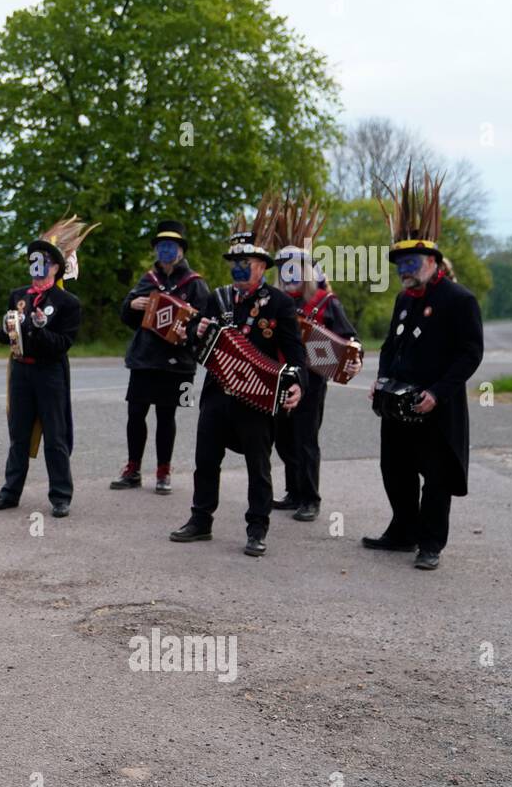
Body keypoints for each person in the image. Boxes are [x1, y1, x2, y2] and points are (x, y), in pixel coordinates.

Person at [169, 197, 306, 557]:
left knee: (258, 466)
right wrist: (197, 328)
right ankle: (201, 520)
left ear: (262, 265)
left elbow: (295, 356)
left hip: (258, 397)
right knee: (205, 461)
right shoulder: (217, 298)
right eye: (235, 264)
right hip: (217, 393)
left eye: (245, 264)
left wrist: (297, 384)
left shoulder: (279, 303)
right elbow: (194, 328)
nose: (238, 270)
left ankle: (257, 528)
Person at [362, 170, 483, 570]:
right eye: (399, 264)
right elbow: (392, 345)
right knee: (395, 469)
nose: (403, 269)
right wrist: (381, 383)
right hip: (397, 404)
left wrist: (438, 392)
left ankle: (430, 543)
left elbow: (470, 353)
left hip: (436, 406)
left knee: (436, 476)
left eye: (410, 262)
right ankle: (402, 531)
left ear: (432, 261)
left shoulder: (459, 300)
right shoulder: (404, 298)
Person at [0, 216, 95, 517]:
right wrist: (5, 327)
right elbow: (5, 337)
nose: (38, 267)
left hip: (50, 373)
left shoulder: (67, 302)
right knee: (18, 435)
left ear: (56, 266)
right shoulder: (18, 295)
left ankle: (61, 496)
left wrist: (38, 329)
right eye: (34, 260)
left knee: (55, 436)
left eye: (44, 261)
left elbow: (62, 344)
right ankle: (10, 492)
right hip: (21, 371)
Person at [270, 196, 362, 521]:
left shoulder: (326, 302)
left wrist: (355, 356)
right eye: (284, 270)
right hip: (280, 377)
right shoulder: (274, 301)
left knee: (305, 439)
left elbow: (351, 338)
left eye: (295, 269)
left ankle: (310, 498)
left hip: (312, 381)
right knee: (282, 438)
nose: (289, 275)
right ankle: (293, 491)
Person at [114, 220, 210, 494]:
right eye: (161, 246)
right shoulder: (148, 279)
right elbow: (127, 317)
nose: (166, 250)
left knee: (167, 417)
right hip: (144, 359)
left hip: (178, 365)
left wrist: (187, 327)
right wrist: (132, 305)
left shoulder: (195, 284)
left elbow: (205, 323)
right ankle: (133, 469)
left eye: (171, 246)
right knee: (135, 414)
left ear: (181, 250)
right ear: (156, 250)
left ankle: (163, 472)